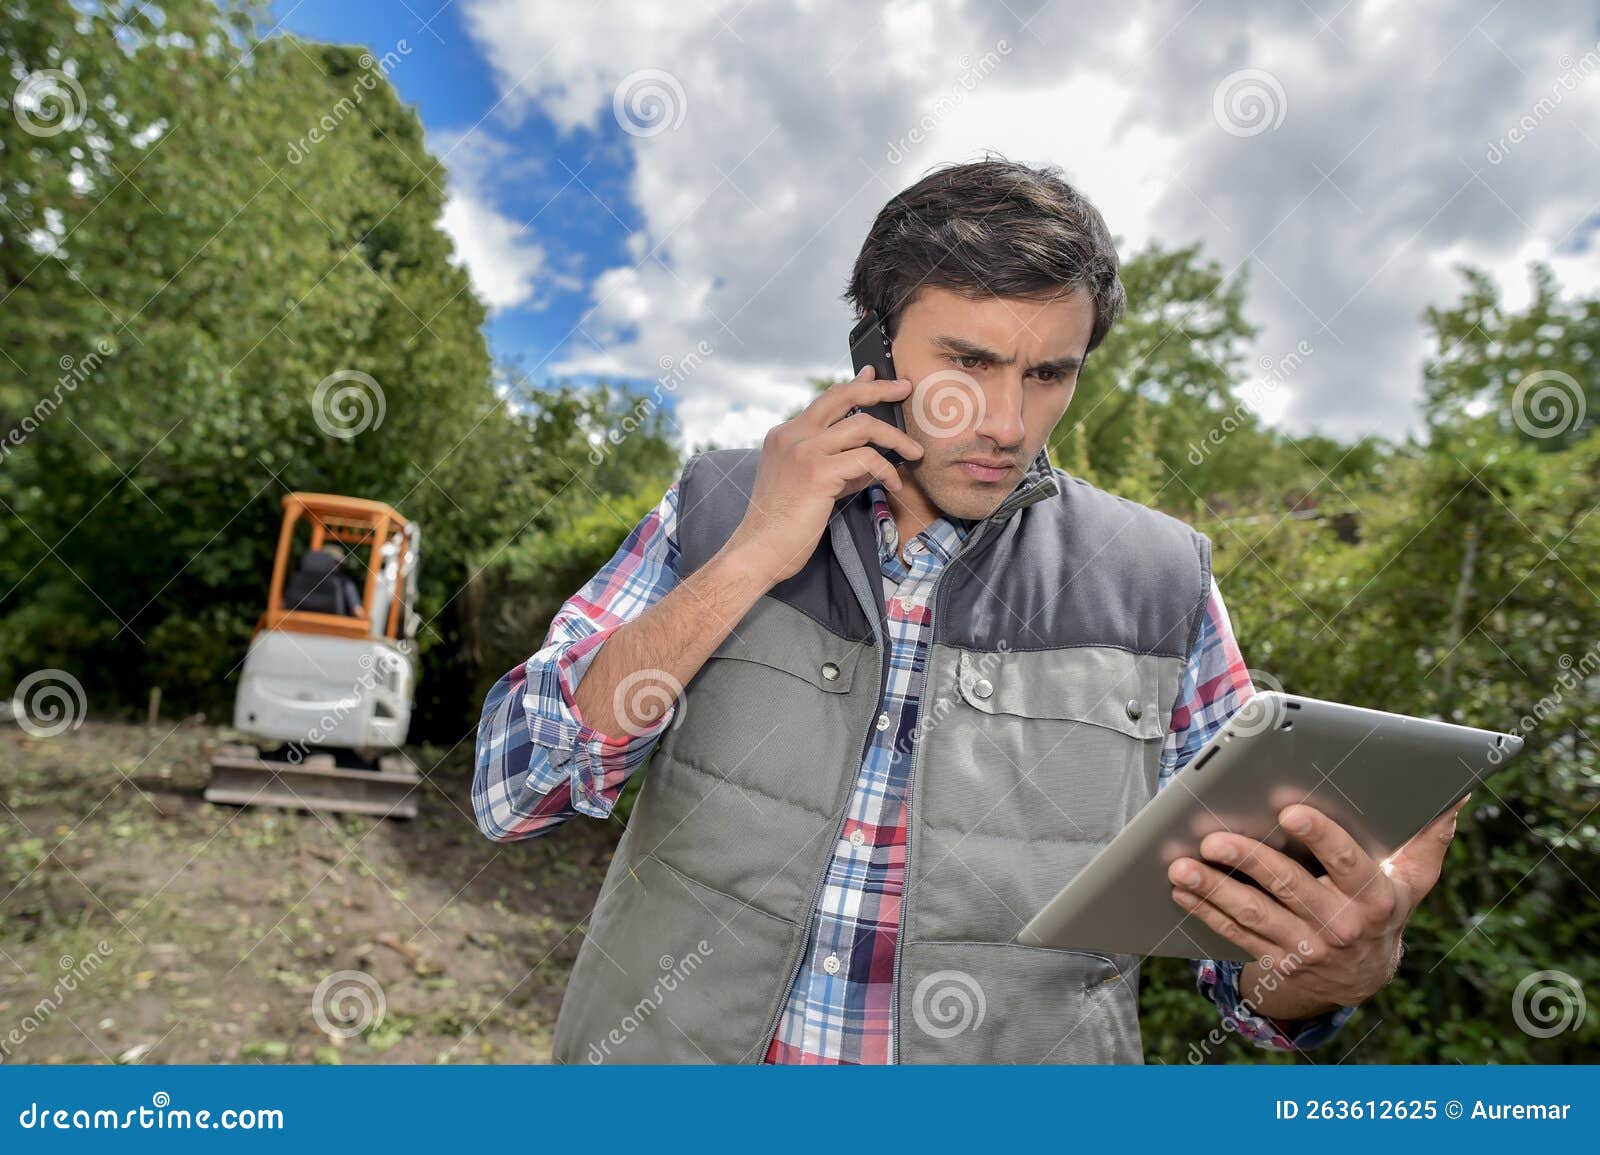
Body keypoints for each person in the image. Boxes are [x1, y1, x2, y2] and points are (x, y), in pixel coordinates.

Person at [472, 158, 1467, 1065]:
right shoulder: (714, 510)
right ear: (873, 347)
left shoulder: (1160, 582)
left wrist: (1321, 972)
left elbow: (1248, 980)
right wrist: (746, 560)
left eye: (1048, 374)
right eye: (968, 364)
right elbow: (515, 793)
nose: (1005, 423)